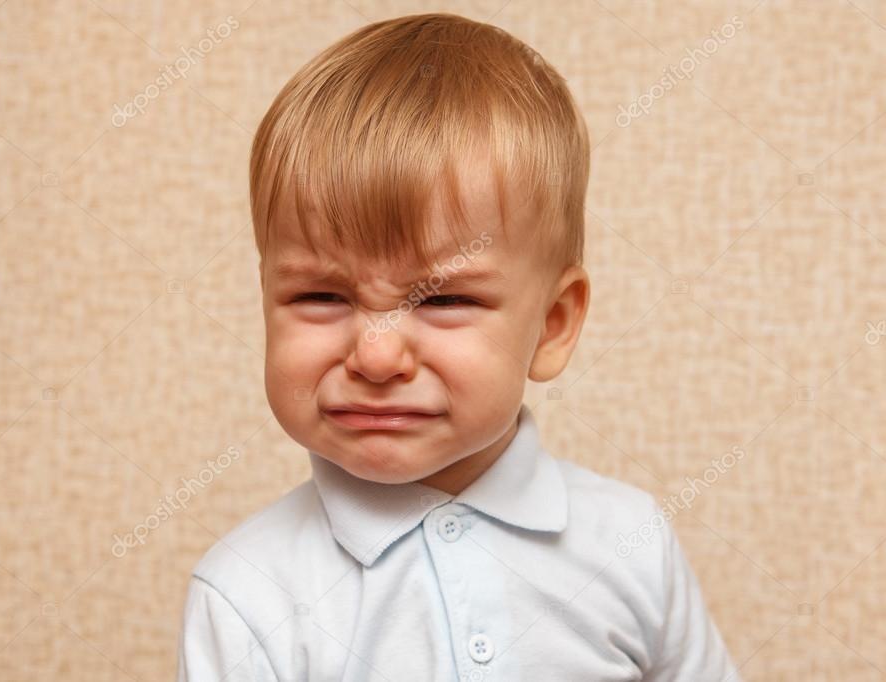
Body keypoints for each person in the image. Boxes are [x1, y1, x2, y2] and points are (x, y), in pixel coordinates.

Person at [177, 12, 739, 681]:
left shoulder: (631, 543)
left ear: (553, 324)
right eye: (321, 297)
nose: (377, 358)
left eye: (442, 301)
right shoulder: (246, 594)